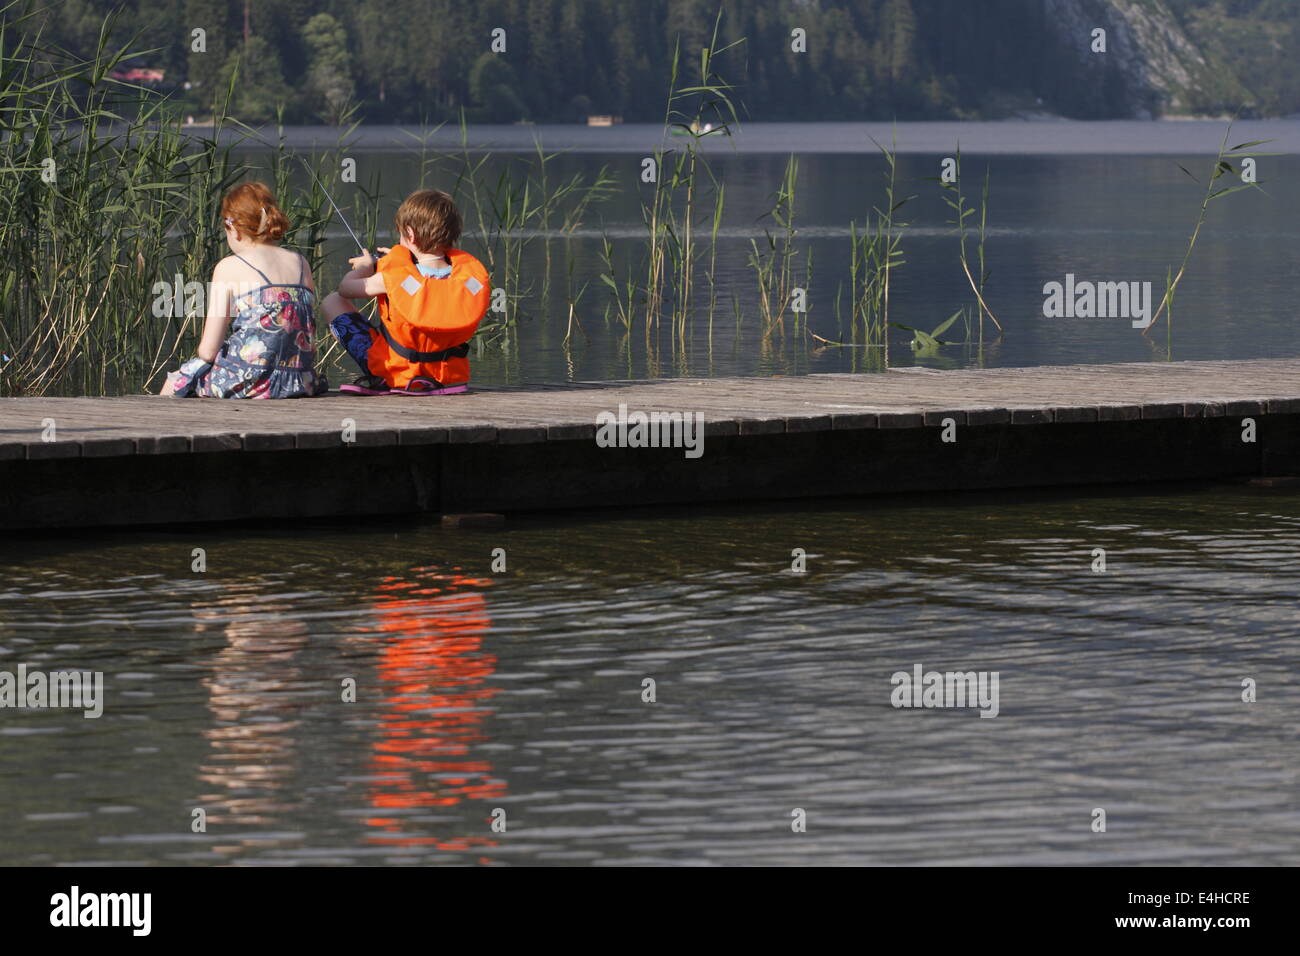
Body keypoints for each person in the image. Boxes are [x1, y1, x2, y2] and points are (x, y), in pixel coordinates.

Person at [161, 182, 325, 398]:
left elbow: (208, 351)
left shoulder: (229, 267)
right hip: (301, 381)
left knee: (178, 379)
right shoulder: (301, 263)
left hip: (250, 382)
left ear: (235, 230)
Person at [322, 189, 490, 396]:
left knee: (331, 301)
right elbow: (428, 284)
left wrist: (366, 266)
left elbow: (345, 290)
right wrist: (397, 261)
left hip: (396, 373)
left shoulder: (391, 278)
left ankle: (379, 376)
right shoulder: (466, 279)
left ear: (410, 234)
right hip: (448, 377)